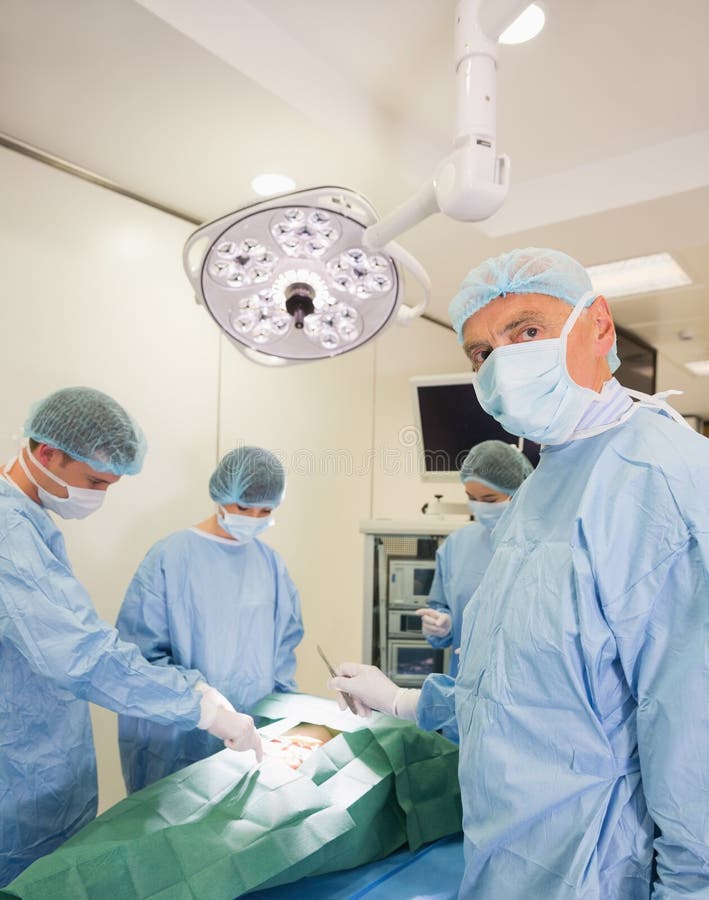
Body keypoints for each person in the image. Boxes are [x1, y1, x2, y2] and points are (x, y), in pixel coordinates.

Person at [331, 248, 709, 898]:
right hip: (509, 852)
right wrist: (404, 700)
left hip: (597, 867)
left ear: (599, 325)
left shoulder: (664, 482)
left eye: (527, 330)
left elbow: (692, 732)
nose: (502, 363)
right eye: (480, 352)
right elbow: (521, 692)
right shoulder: (544, 484)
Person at [0, 387, 262, 887]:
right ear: (47, 453)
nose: (99, 496)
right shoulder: (8, 533)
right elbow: (81, 655)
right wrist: (199, 705)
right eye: (94, 481)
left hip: (38, 769)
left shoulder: (28, 523)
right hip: (16, 784)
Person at [116, 445, 304, 793]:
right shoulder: (171, 557)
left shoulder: (270, 565)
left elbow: (282, 658)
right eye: (243, 507)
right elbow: (139, 658)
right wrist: (201, 703)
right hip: (176, 741)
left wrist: (281, 724)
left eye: (265, 510)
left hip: (251, 736)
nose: (254, 517)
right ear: (221, 494)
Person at [416, 440, 532, 676]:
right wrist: (444, 624)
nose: (480, 507)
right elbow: (442, 605)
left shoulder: (543, 546)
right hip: (465, 682)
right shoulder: (457, 545)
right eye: (471, 497)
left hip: (522, 683)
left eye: (490, 500)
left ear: (520, 492)